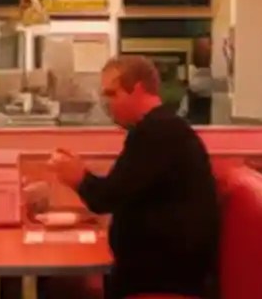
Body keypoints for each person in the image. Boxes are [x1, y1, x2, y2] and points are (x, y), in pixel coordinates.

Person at [48, 56, 219, 299]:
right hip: (162, 268)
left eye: (112, 94)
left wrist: (78, 177)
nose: (107, 104)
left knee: (61, 288)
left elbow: (106, 198)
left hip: (165, 277)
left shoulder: (158, 133)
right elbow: (123, 190)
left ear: (137, 89)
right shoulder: (161, 128)